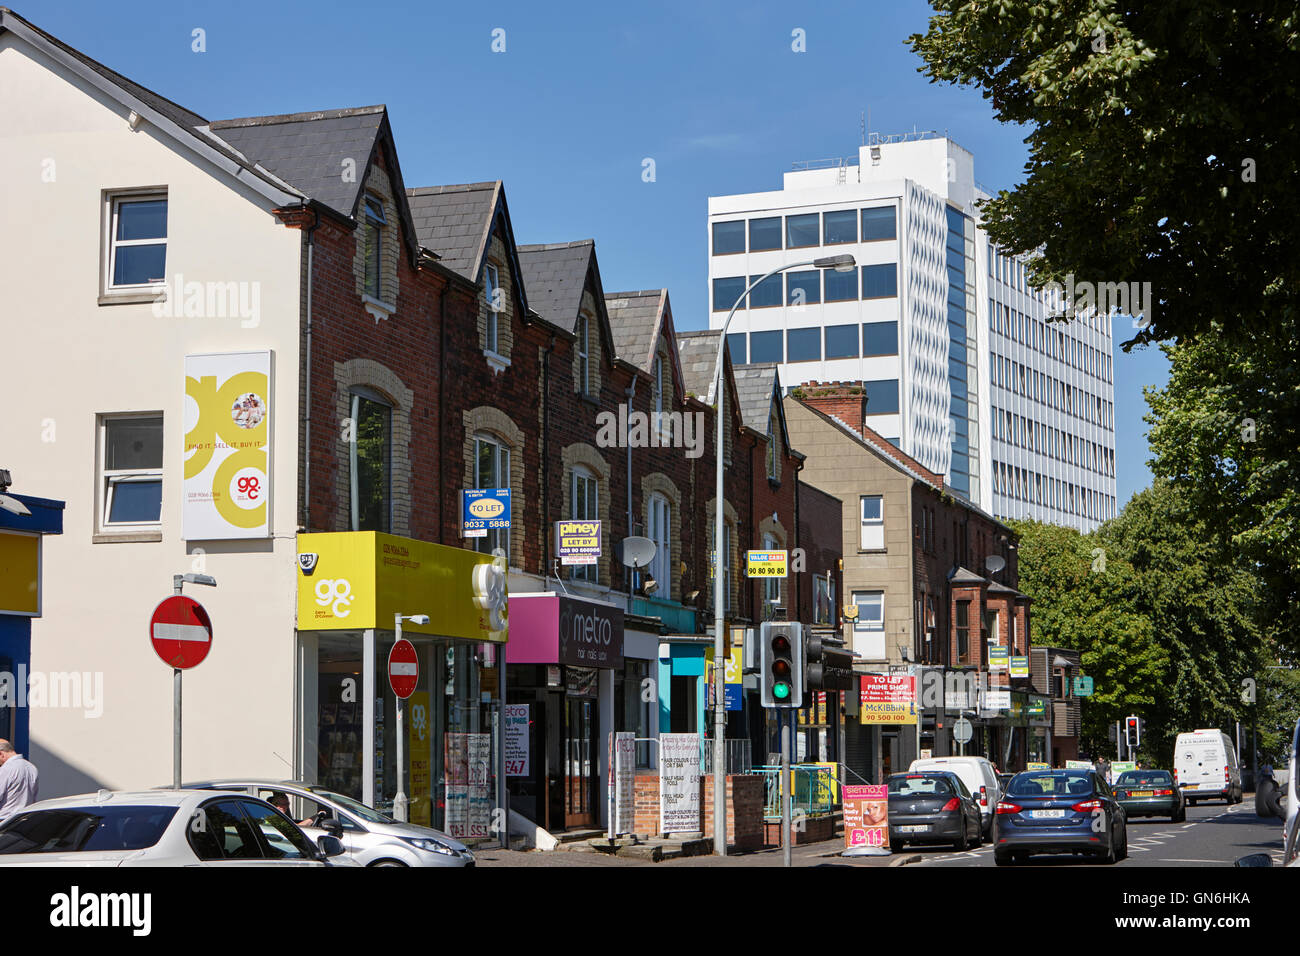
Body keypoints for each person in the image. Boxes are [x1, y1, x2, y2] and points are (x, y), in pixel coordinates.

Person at [0, 740, 39, 819]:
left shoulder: (5, 769)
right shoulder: (31, 768)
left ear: (1, 754)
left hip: (5, 821)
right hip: (25, 820)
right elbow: (34, 797)